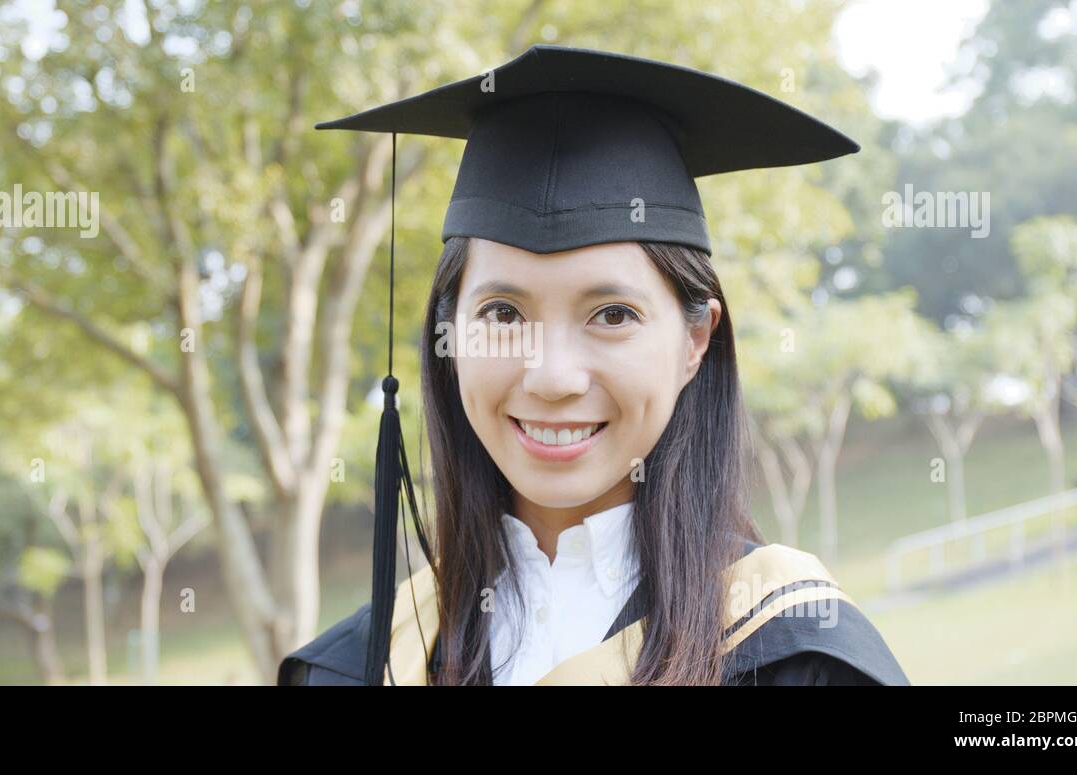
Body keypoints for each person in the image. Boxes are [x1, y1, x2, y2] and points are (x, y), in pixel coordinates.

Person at [278, 44, 910, 686]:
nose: (552, 378)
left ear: (697, 339)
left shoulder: (800, 660)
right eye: (502, 314)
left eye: (612, 314)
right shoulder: (357, 668)